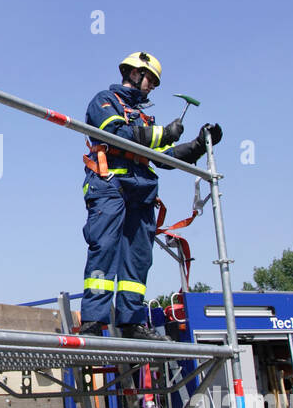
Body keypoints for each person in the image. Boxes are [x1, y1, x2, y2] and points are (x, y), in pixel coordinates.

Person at [79, 52, 221, 339]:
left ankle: (132, 323)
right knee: (104, 250)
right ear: (134, 73)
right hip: (110, 187)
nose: (152, 87)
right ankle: (93, 321)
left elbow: (165, 158)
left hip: (142, 193)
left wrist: (198, 144)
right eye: (151, 80)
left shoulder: (144, 118)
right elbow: (117, 135)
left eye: (155, 83)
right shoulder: (104, 101)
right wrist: (164, 133)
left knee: (138, 258)